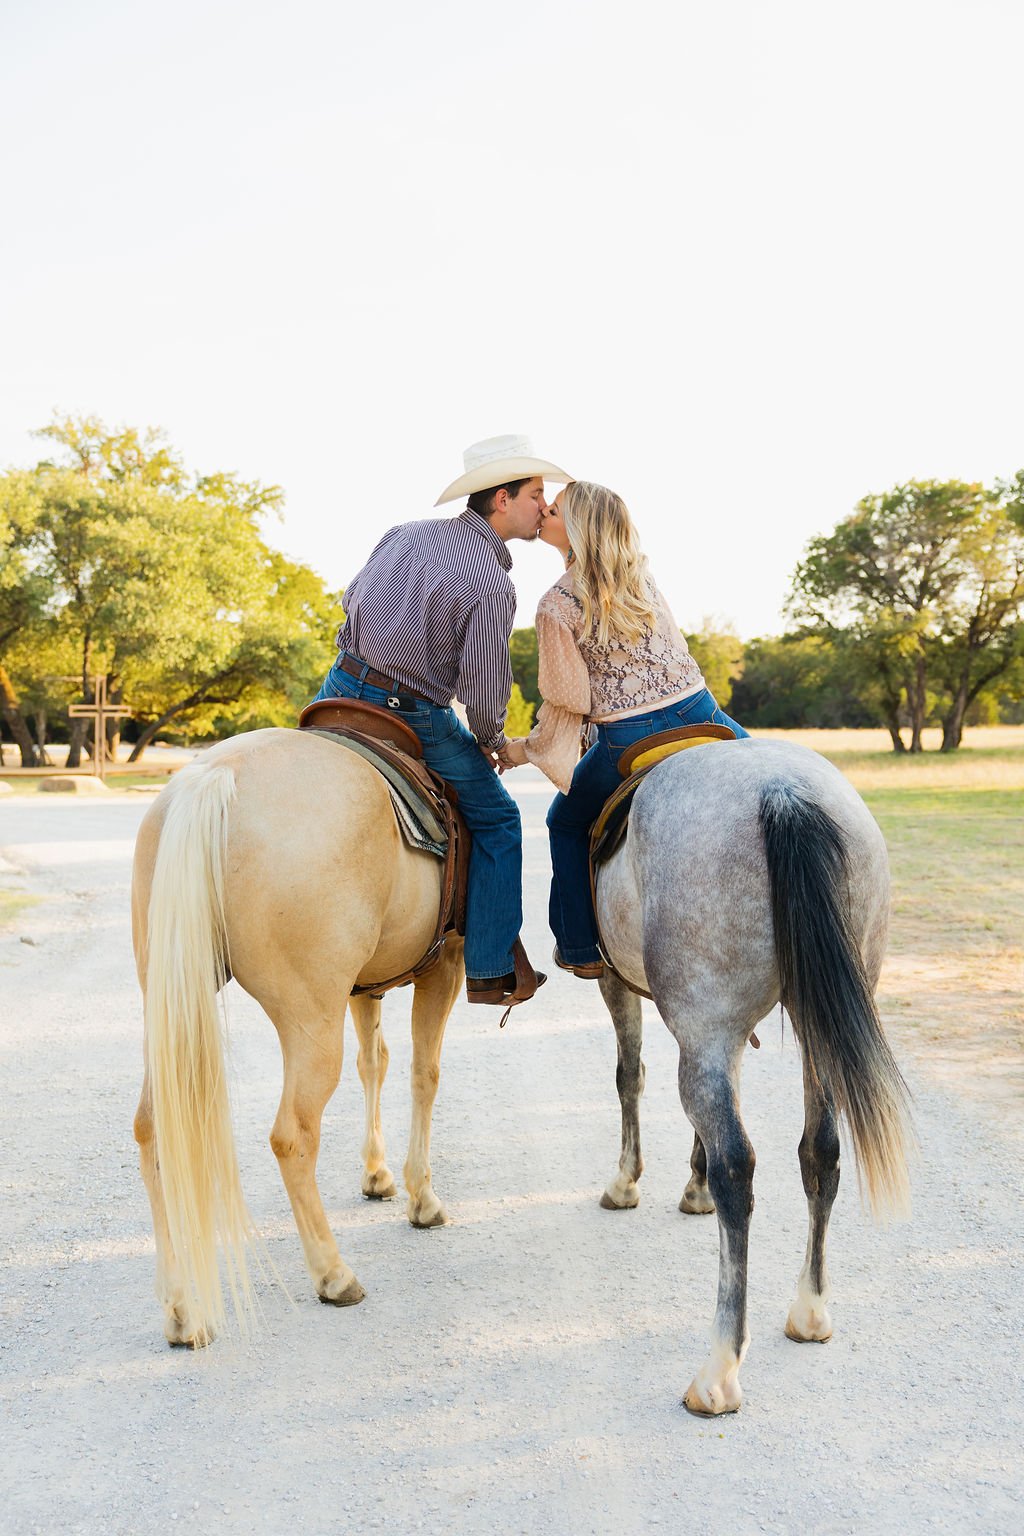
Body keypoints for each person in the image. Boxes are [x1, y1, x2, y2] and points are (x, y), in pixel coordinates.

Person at [311, 435, 572, 1007]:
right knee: (501, 820)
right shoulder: (493, 584)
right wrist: (490, 741)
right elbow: (482, 689)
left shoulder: (404, 534)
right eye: (535, 495)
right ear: (502, 500)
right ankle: (489, 965)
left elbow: (353, 600)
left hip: (338, 688)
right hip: (412, 712)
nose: (544, 506)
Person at [500, 480, 748, 978]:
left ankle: (580, 948)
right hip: (702, 714)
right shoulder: (643, 578)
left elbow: (568, 699)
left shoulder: (556, 605)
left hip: (627, 739)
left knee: (564, 823)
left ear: (578, 527)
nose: (545, 510)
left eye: (556, 508)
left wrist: (523, 750)